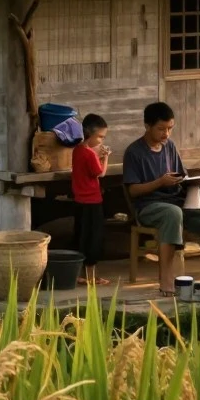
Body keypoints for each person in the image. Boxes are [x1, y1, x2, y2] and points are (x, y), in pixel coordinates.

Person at [123, 102, 200, 294]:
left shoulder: (170, 146)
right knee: (172, 213)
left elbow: (181, 177)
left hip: (178, 203)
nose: (166, 134)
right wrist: (160, 182)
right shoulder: (134, 152)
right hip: (149, 207)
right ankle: (166, 280)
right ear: (147, 126)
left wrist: (195, 181)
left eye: (170, 129)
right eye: (161, 129)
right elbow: (133, 191)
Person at [70, 113, 111, 286]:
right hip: (93, 201)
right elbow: (100, 173)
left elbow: (90, 170)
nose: (101, 140)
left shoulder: (77, 150)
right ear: (90, 133)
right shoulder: (89, 153)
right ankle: (91, 277)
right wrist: (106, 156)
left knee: (81, 236)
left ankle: (79, 274)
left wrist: (99, 157)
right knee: (94, 239)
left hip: (79, 200)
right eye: (100, 136)